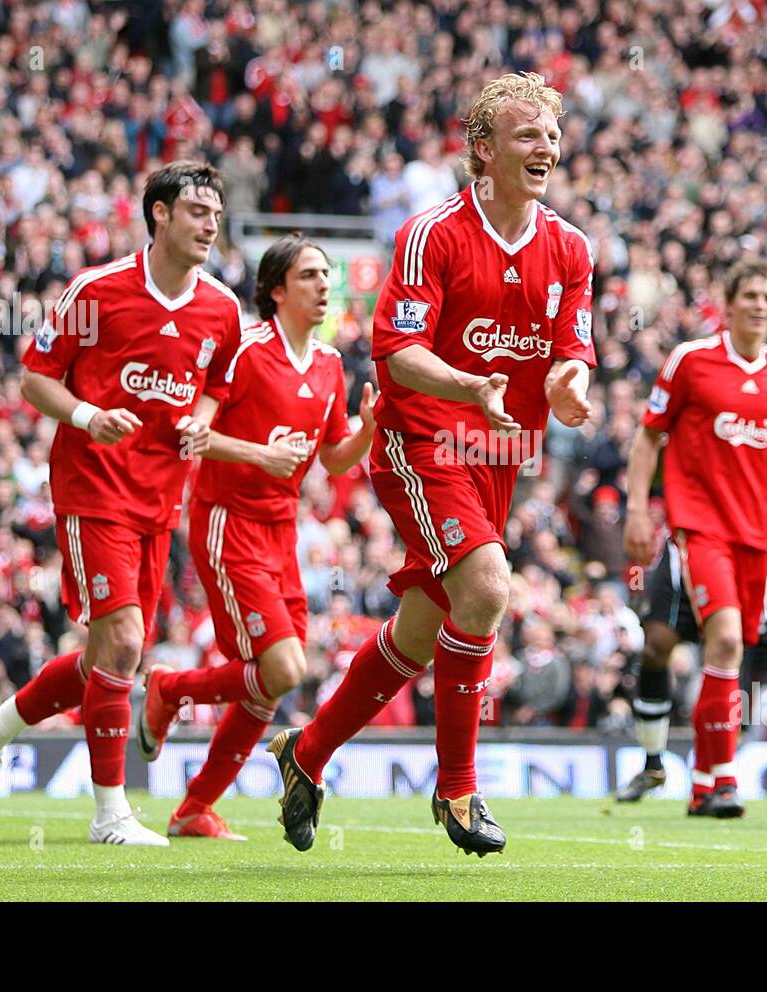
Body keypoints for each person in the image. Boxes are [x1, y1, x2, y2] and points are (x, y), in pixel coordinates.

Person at [267, 72, 596, 856]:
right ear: (483, 151)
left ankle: (304, 755)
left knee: (423, 631)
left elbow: (574, 346)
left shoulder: (571, 247)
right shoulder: (432, 234)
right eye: (527, 135)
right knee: (485, 589)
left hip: (501, 455)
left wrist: (569, 381)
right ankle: (456, 791)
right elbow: (395, 352)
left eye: (551, 134)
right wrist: (467, 386)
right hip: (423, 444)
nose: (545, 146)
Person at [0, 162, 242, 846]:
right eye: (197, 210)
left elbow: (218, 388)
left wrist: (201, 422)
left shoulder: (223, 309)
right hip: (93, 485)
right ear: (160, 215)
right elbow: (34, 378)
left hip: (159, 498)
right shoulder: (97, 289)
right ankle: (110, 814)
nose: (210, 224)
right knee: (120, 641)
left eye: (216, 212)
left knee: (108, 659)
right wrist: (88, 416)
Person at [136, 234, 376, 841]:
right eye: (309, 276)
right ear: (275, 290)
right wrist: (258, 454)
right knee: (284, 668)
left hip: (281, 530)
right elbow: (192, 433)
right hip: (227, 519)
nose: (324, 285)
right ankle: (169, 688)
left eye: (327, 274)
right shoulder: (242, 348)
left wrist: (370, 429)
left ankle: (193, 809)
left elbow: (336, 458)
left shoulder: (327, 364)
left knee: (266, 686)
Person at [621, 259, 767, 818]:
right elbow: (649, 440)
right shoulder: (691, 361)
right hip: (699, 527)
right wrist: (636, 510)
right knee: (719, 640)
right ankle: (720, 780)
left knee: (732, 650)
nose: (761, 305)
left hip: (755, 536)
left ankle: (703, 781)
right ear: (729, 302)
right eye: (750, 295)